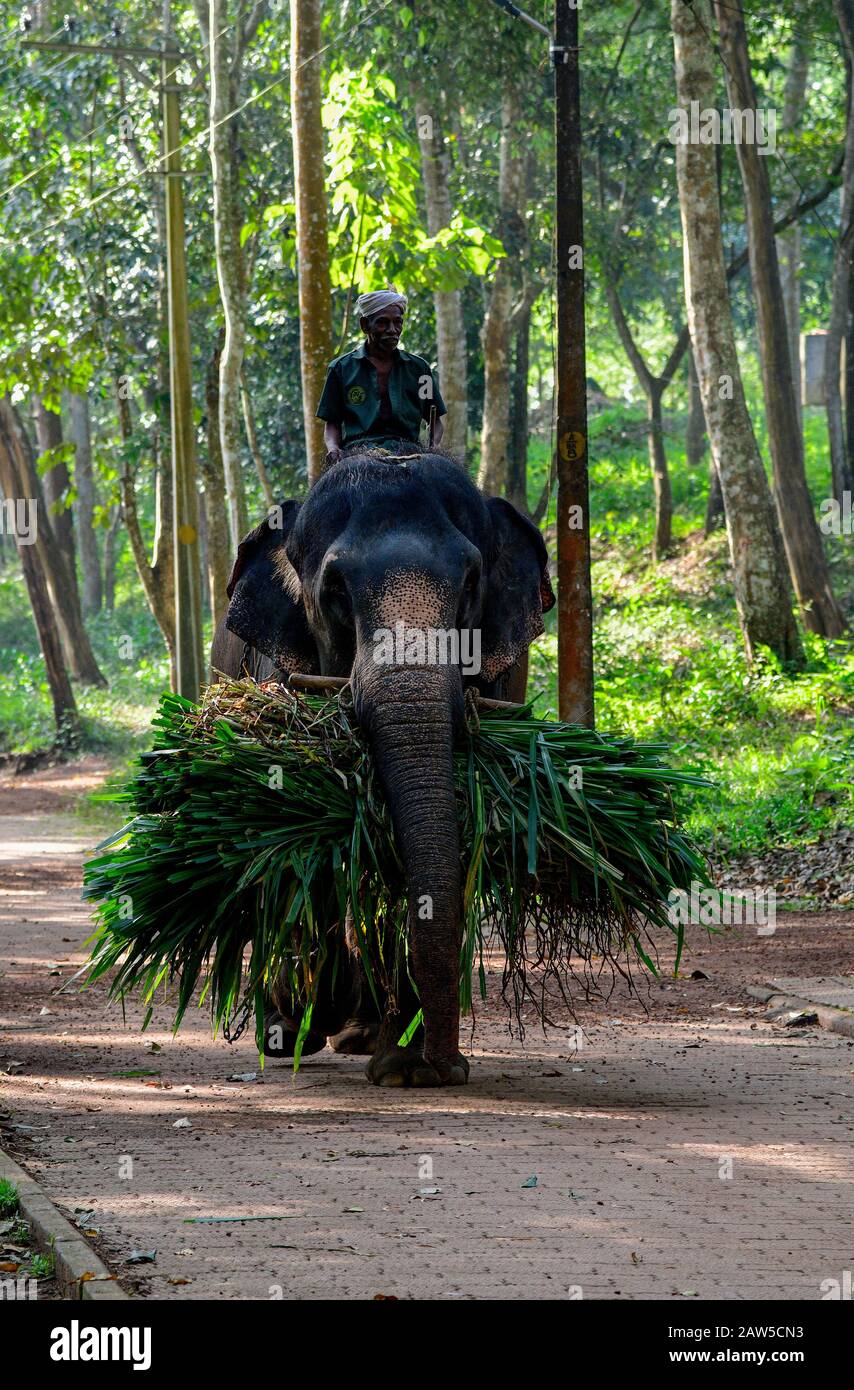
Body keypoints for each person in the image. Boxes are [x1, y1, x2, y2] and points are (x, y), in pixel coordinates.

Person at [316, 288, 446, 463]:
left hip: (410, 451)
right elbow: (332, 423)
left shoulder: (419, 369)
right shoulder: (340, 369)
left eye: (398, 322)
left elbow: (434, 419)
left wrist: (433, 447)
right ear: (365, 325)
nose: (392, 330)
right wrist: (333, 449)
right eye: (382, 322)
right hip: (357, 454)